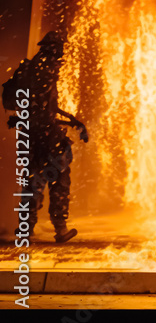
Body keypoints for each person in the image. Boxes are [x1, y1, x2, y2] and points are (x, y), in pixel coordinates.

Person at [20, 31, 88, 243]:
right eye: (59, 48)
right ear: (54, 48)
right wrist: (60, 127)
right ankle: (59, 228)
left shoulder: (34, 68)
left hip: (34, 135)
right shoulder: (45, 71)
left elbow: (48, 108)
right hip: (47, 138)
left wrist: (72, 121)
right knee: (57, 179)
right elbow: (43, 110)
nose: (61, 54)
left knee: (34, 179)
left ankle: (26, 228)